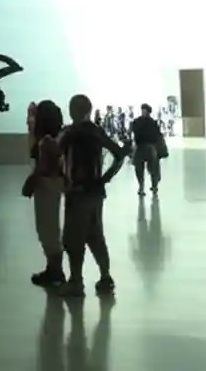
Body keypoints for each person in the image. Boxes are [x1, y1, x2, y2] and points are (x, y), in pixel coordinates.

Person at [57, 94, 128, 298]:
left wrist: (65, 181)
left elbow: (56, 156)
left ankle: (76, 281)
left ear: (72, 110)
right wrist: (104, 179)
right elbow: (119, 154)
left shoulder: (72, 133)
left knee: (73, 237)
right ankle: (105, 276)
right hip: (95, 192)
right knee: (95, 234)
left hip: (78, 191)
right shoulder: (96, 132)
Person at [29, 99, 66, 287]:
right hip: (51, 185)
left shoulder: (48, 142)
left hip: (47, 186)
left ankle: (55, 271)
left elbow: (45, 166)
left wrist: (33, 179)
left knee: (47, 229)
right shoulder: (52, 138)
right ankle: (53, 269)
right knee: (47, 228)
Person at [130, 103, 163, 196]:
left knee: (146, 168)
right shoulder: (152, 122)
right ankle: (145, 186)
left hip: (145, 146)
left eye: (145, 110)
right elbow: (158, 135)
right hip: (146, 147)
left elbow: (133, 131)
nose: (143, 112)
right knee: (149, 168)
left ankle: (151, 186)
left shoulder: (143, 122)